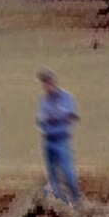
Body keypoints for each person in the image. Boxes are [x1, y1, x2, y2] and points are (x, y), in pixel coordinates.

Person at [36, 68, 80, 209]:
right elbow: (41, 119)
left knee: (68, 173)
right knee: (53, 177)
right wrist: (54, 117)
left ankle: (77, 202)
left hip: (61, 140)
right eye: (43, 83)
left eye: (47, 82)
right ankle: (63, 206)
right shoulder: (43, 100)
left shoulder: (66, 98)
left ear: (53, 82)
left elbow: (70, 116)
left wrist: (54, 117)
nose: (45, 86)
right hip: (48, 140)